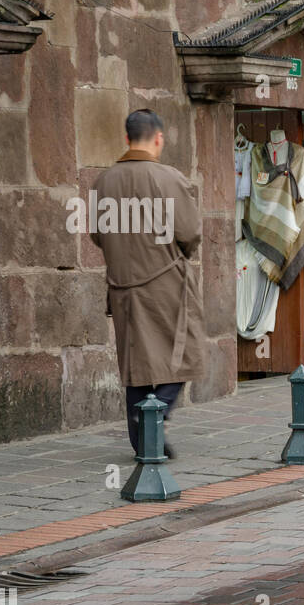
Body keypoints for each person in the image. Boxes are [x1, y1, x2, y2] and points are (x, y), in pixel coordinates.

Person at [90, 109, 204, 458]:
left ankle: (143, 441)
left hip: (123, 287)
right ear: (158, 138)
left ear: (127, 139)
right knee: (186, 353)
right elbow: (190, 233)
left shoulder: (103, 182)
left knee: (136, 364)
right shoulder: (169, 178)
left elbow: (97, 234)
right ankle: (157, 413)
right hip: (165, 283)